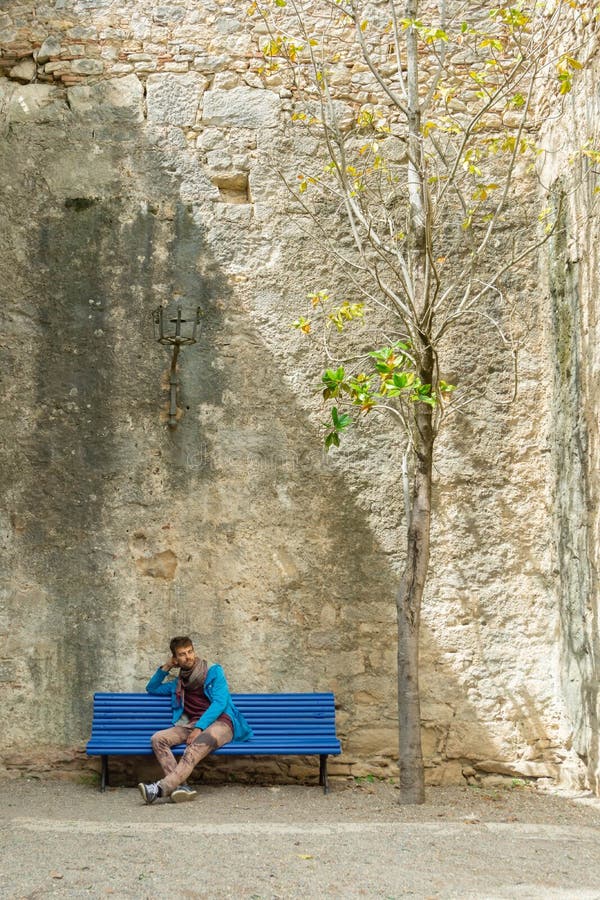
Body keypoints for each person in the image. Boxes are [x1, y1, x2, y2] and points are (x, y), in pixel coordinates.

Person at [138, 636, 252, 804]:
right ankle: (180, 788)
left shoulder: (214, 672)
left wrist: (199, 728)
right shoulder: (178, 683)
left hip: (222, 723)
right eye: (182, 654)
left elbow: (220, 703)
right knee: (158, 739)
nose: (188, 656)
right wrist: (167, 666)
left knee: (193, 748)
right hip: (193, 724)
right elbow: (152, 688)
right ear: (176, 658)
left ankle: (159, 789)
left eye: (190, 651)